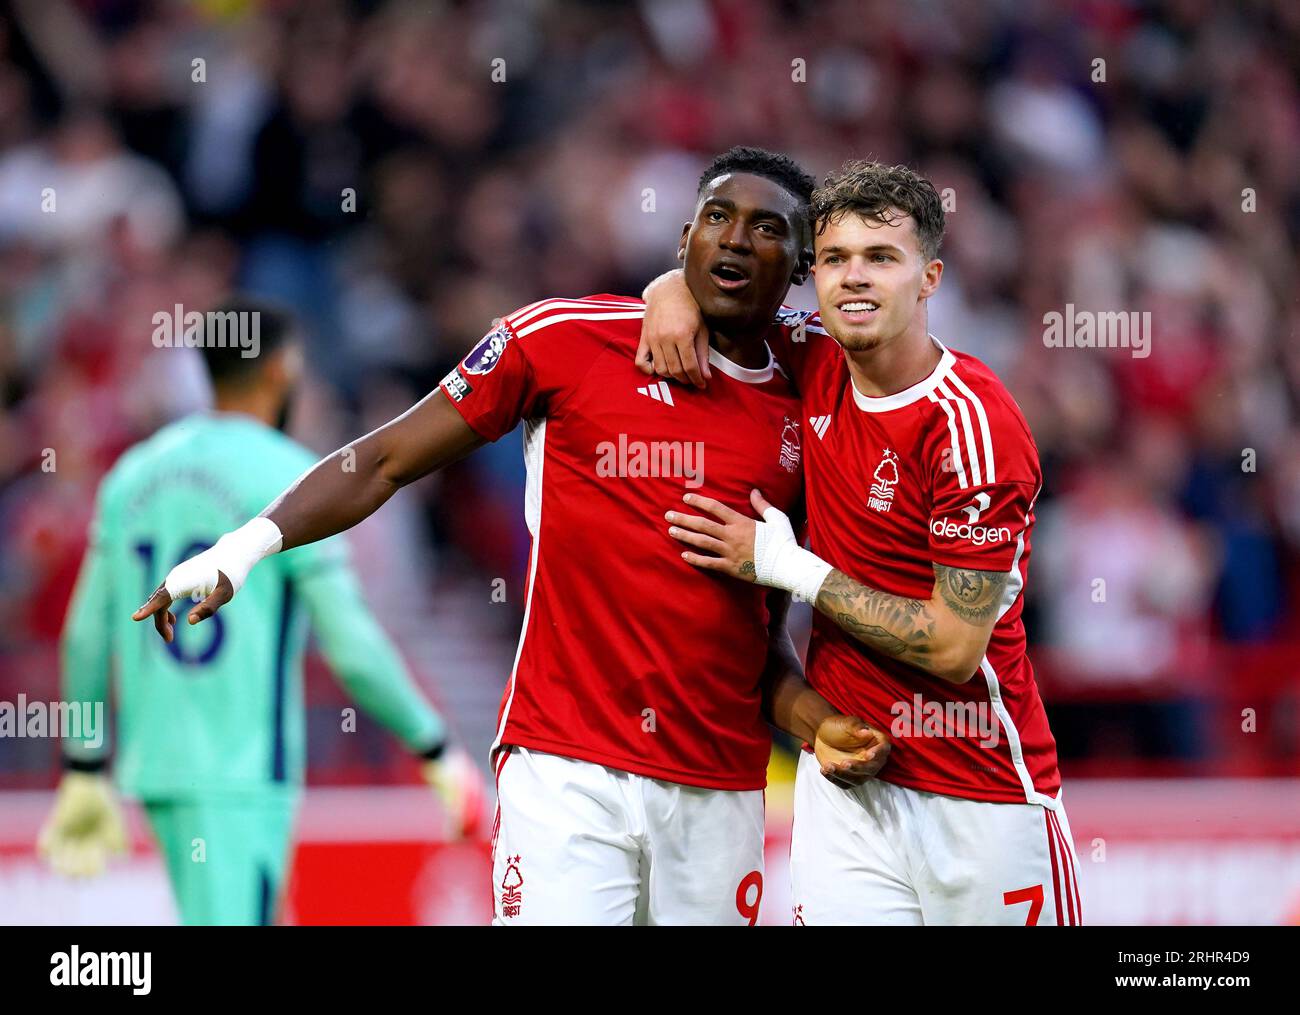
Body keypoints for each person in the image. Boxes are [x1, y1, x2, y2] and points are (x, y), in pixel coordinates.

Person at [132, 148, 893, 926]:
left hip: (720, 788)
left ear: (801, 265)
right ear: (683, 238)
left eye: (767, 229)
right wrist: (245, 547)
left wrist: (813, 722)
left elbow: (749, 631)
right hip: (566, 769)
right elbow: (385, 458)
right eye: (717, 219)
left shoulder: (815, 396)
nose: (734, 240)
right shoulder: (563, 341)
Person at [637, 160, 1082, 925]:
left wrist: (787, 568)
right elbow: (718, 284)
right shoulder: (810, 355)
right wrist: (667, 289)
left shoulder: (970, 426)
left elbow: (952, 647)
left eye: (881, 258)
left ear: (929, 277)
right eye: (836, 259)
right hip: (846, 788)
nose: (855, 279)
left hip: (979, 795)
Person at [41, 298, 478, 925]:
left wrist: (84, 765)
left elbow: (85, 635)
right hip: (238, 776)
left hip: (159, 766)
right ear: (282, 371)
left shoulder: (132, 474)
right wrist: (434, 748)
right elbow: (350, 641)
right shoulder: (291, 481)